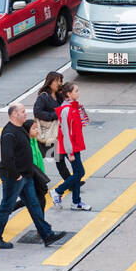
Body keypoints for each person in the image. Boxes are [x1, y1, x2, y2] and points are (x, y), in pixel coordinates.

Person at [0, 104, 65, 250]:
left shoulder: (20, 129)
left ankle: (47, 235)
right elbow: (7, 158)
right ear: (14, 114)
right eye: (22, 112)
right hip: (15, 177)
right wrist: (16, 175)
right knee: (6, 207)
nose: (25, 114)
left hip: (26, 175)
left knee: (34, 205)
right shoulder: (9, 133)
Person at [53, 82, 90, 210]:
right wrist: (70, 153)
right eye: (76, 91)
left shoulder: (74, 107)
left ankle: (76, 202)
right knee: (80, 172)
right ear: (68, 94)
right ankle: (58, 191)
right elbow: (66, 133)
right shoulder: (66, 110)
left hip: (75, 146)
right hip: (71, 148)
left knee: (77, 172)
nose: (78, 93)